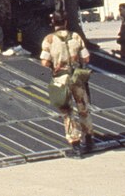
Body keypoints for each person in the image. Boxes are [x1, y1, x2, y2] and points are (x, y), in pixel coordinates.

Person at [40, 12, 93, 157]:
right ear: (66, 22)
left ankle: (75, 146)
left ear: (53, 23)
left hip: (61, 80)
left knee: (67, 112)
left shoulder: (49, 39)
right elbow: (86, 58)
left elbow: (44, 62)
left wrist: (55, 64)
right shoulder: (76, 36)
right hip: (77, 77)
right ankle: (88, 139)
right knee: (83, 108)